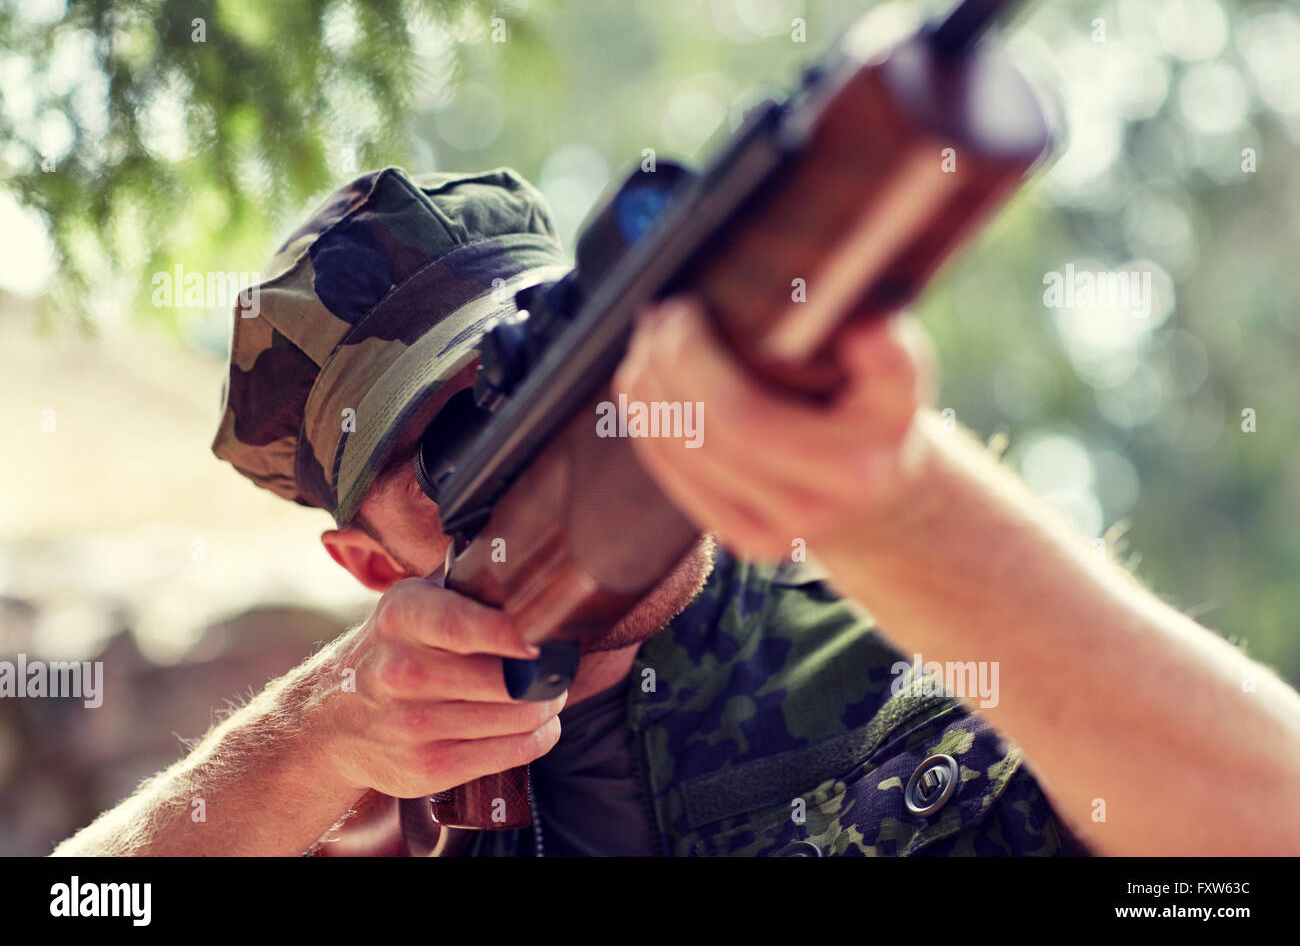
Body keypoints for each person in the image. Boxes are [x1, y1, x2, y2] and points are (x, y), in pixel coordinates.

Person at [49, 166, 1291, 857]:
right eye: (451, 439)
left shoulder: (924, 660)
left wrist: (901, 509)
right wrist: (303, 743)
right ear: (371, 563)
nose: (544, 447)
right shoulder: (365, 797)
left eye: (551, 376)